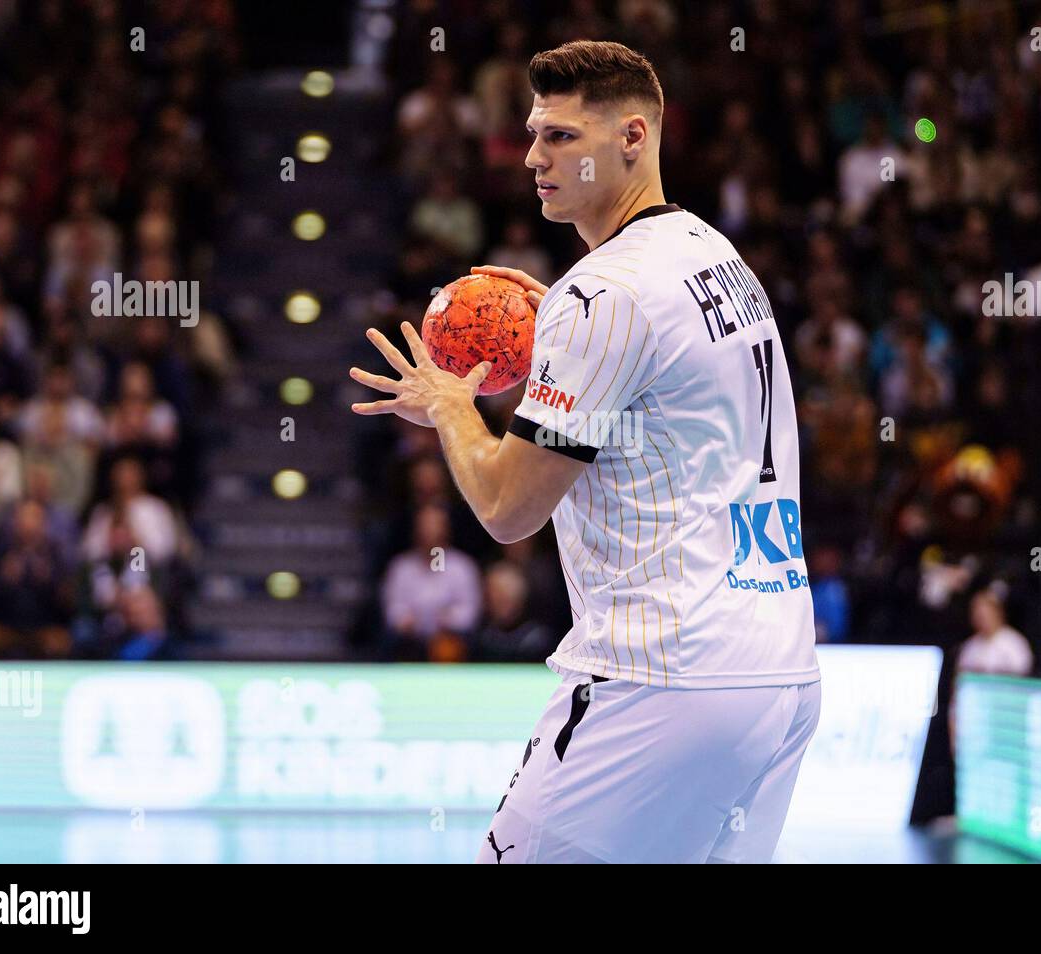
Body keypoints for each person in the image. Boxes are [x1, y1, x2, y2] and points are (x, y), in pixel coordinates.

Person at [351, 40, 821, 863]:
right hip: (778, 673)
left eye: (562, 137)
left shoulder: (604, 295)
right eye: (534, 133)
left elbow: (507, 507)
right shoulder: (719, 259)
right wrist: (572, 337)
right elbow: (661, 417)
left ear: (632, 138)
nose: (533, 156)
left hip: (658, 678)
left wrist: (451, 404)